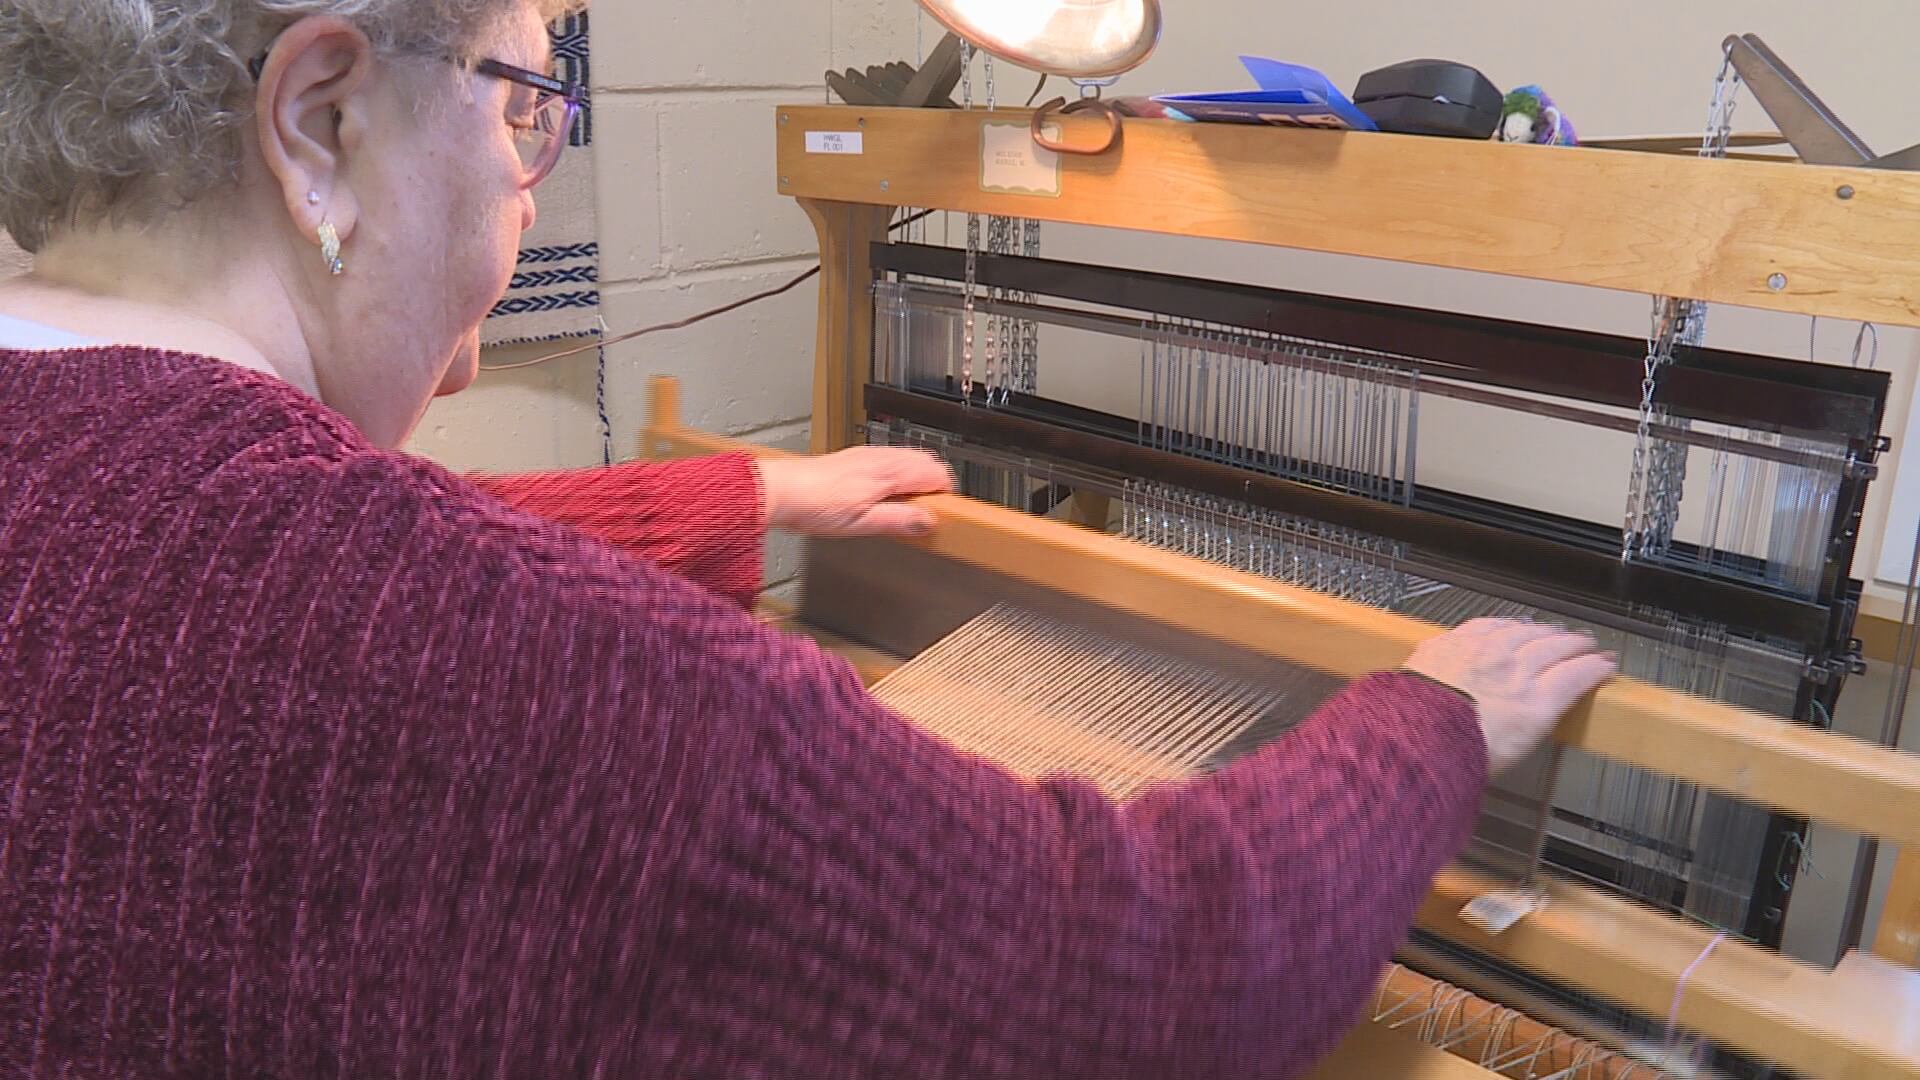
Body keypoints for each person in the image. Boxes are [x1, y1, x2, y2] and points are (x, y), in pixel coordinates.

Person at [0, 1, 1618, 1077]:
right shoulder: (573, 688)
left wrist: (753, 497)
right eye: (524, 109)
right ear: (321, 121)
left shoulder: (95, 493)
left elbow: (288, 565)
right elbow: (1140, 979)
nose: (528, 197)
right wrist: (1430, 724)